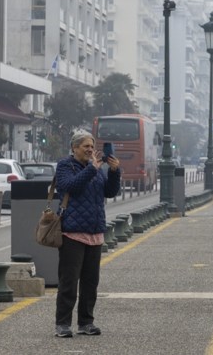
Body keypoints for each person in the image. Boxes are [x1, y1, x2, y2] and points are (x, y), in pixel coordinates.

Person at [53, 130, 121, 339]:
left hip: (94, 231)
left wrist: (114, 172)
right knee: (69, 282)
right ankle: (63, 324)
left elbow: (109, 192)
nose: (90, 150)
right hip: (72, 232)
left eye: (92, 146)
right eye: (85, 146)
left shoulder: (97, 168)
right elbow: (69, 186)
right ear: (74, 148)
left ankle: (86, 322)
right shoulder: (66, 166)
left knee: (91, 282)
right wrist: (92, 169)